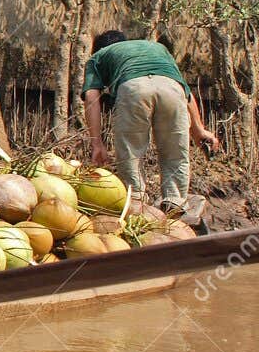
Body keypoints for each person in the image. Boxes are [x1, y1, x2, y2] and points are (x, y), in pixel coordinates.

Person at [83, 30, 220, 214]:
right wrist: (199, 129)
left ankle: (136, 203)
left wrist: (96, 143)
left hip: (133, 88)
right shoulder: (157, 48)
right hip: (172, 89)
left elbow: (92, 96)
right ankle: (175, 202)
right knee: (175, 153)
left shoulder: (98, 57)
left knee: (131, 152)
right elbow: (184, 91)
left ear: (97, 48)